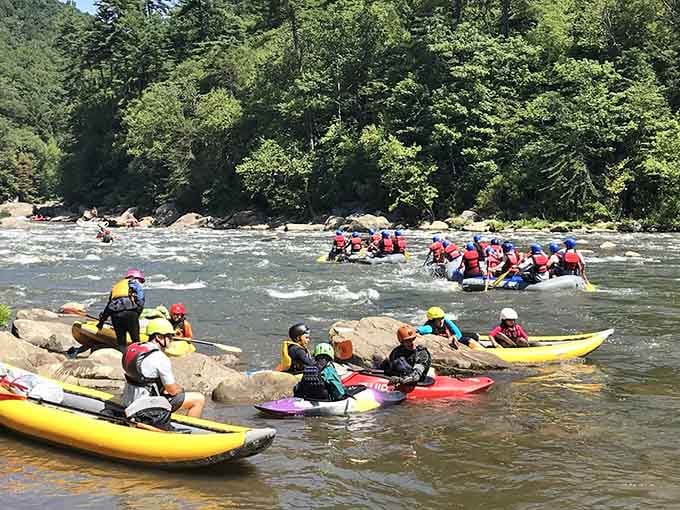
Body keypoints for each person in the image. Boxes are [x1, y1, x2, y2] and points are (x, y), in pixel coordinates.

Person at [121, 318, 205, 418]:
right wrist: (179, 389)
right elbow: (172, 391)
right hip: (145, 406)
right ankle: (189, 427)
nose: (172, 339)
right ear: (159, 337)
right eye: (169, 336)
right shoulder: (160, 358)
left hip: (128, 399)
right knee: (198, 399)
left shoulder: (133, 348)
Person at [97, 269, 146, 352]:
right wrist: (137, 314)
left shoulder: (116, 286)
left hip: (115, 315)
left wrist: (102, 321)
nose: (140, 283)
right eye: (140, 280)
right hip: (130, 313)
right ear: (136, 277)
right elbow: (140, 300)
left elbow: (109, 305)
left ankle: (123, 355)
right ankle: (136, 355)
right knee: (135, 339)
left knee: (121, 341)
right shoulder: (134, 282)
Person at [416, 306, 482, 349]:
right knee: (468, 340)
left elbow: (458, 333)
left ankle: (479, 340)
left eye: (442, 318)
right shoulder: (429, 326)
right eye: (438, 319)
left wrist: (455, 337)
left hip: (451, 335)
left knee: (475, 336)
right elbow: (421, 330)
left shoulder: (446, 321)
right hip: (446, 338)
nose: (441, 321)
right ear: (432, 320)